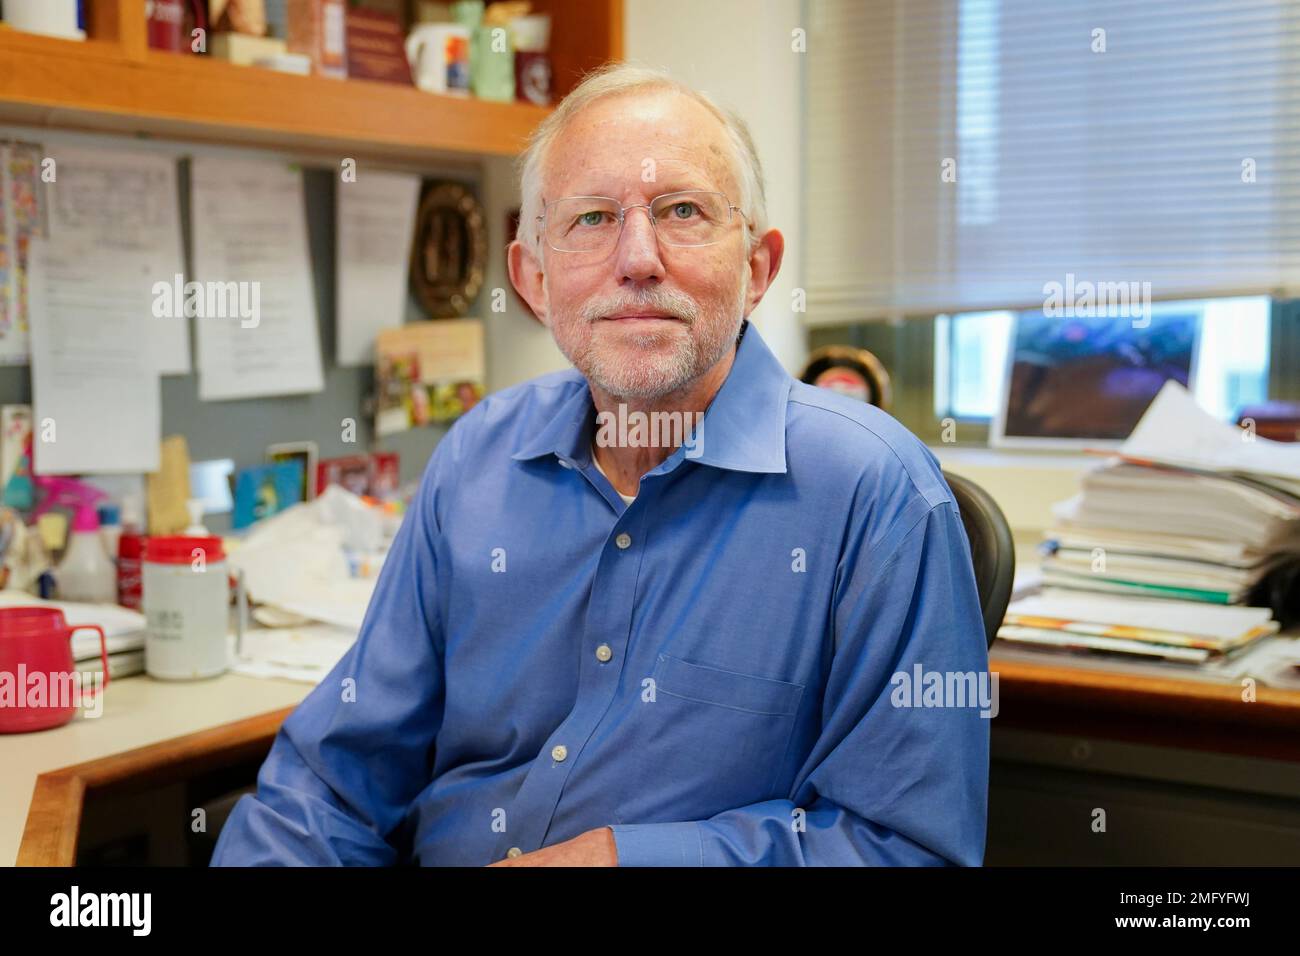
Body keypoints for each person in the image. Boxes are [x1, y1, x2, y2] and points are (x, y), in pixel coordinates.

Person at [212, 63, 990, 867]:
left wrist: (628, 859)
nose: (638, 259)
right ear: (534, 280)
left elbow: (907, 849)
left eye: (682, 211)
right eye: (591, 219)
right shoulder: (479, 459)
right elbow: (330, 782)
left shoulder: (876, 495)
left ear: (757, 269)